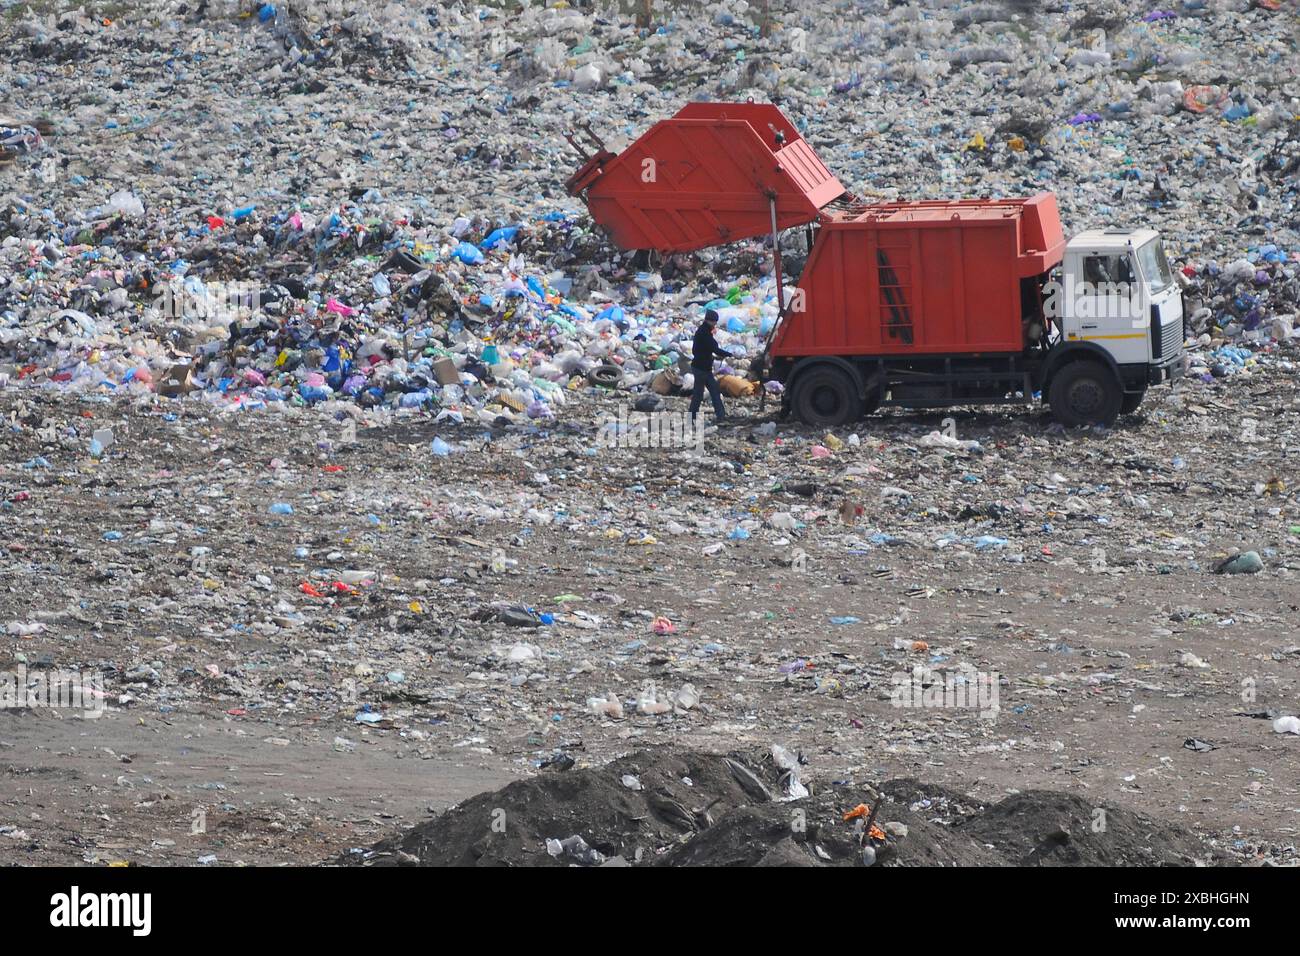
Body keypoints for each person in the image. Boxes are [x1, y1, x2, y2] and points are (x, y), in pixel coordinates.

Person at [689, 309, 733, 422]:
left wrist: (710, 356)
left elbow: (700, 350)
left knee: (713, 391)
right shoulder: (704, 333)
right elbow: (714, 348)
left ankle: (721, 416)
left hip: (703, 367)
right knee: (699, 394)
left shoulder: (704, 331)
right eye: (714, 322)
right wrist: (729, 354)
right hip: (701, 368)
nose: (715, 324)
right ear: (710, 321)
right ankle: (692, 418)